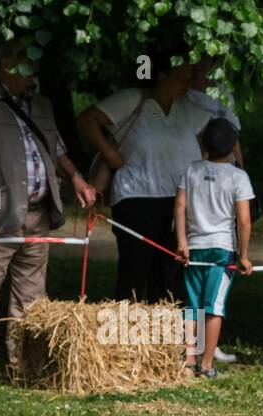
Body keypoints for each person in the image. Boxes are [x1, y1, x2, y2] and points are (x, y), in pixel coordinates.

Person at [0, 41, 96, 386]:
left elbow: (56, 148)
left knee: (31, 296)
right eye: (24, 64)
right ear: (4, 67)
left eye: (33, 64)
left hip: (38, 213)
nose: (32, 71)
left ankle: (22, 365)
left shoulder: (41, 105)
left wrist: (75, 177)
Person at [78, 54, 212, 302]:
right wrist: (110, 154)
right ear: (162, 76)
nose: (187, 81)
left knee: (170, 272)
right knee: (134, 270)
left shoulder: (189, 109)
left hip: (178, 201)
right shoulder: (134, 99)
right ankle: (127, 332)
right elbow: (88, 120)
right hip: (135, 197)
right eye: (182, 75)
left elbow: (219, 136)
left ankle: (161, 335)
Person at [175, 118, 254, 378]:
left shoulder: (191, 170)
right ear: (233, 146)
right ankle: (206, 365)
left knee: (192, 306)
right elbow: (244, 220)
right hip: (222, 250)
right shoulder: (238, 176)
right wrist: (243, 256)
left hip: (194, 248)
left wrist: (182, 243)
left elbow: (179, 207)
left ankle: (188, 362)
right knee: (214, 307)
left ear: (203, 143)